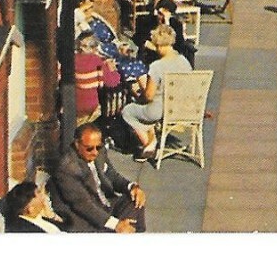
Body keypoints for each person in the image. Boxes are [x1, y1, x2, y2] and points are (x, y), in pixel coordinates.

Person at [48, 122, 147, 232]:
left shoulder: (100, 152)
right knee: (125, 226)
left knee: (136, 201)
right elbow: (83, 204)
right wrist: (116, 224)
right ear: (77, 144)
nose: (95, 152)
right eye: (89, 148)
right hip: (86, 217)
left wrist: (132, 187)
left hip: (105, 203)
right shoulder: (67, 168)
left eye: (98, 147)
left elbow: (111, 175)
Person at [121, 24, 191, 160]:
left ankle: (148, 143)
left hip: (158, 110)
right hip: (181, 108)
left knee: (128, 111)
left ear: (157, 45)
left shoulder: (157, 66)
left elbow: (149, 96)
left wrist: (138, 92)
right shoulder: (184, 62)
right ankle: (151, 138)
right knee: (143, 108)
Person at [74, 32, 119, 124]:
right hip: (91, 107)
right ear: (94, 47)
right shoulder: (96, 60)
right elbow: (112, 82)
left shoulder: (72, 59)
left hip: (73, 104)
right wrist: (112, 69)